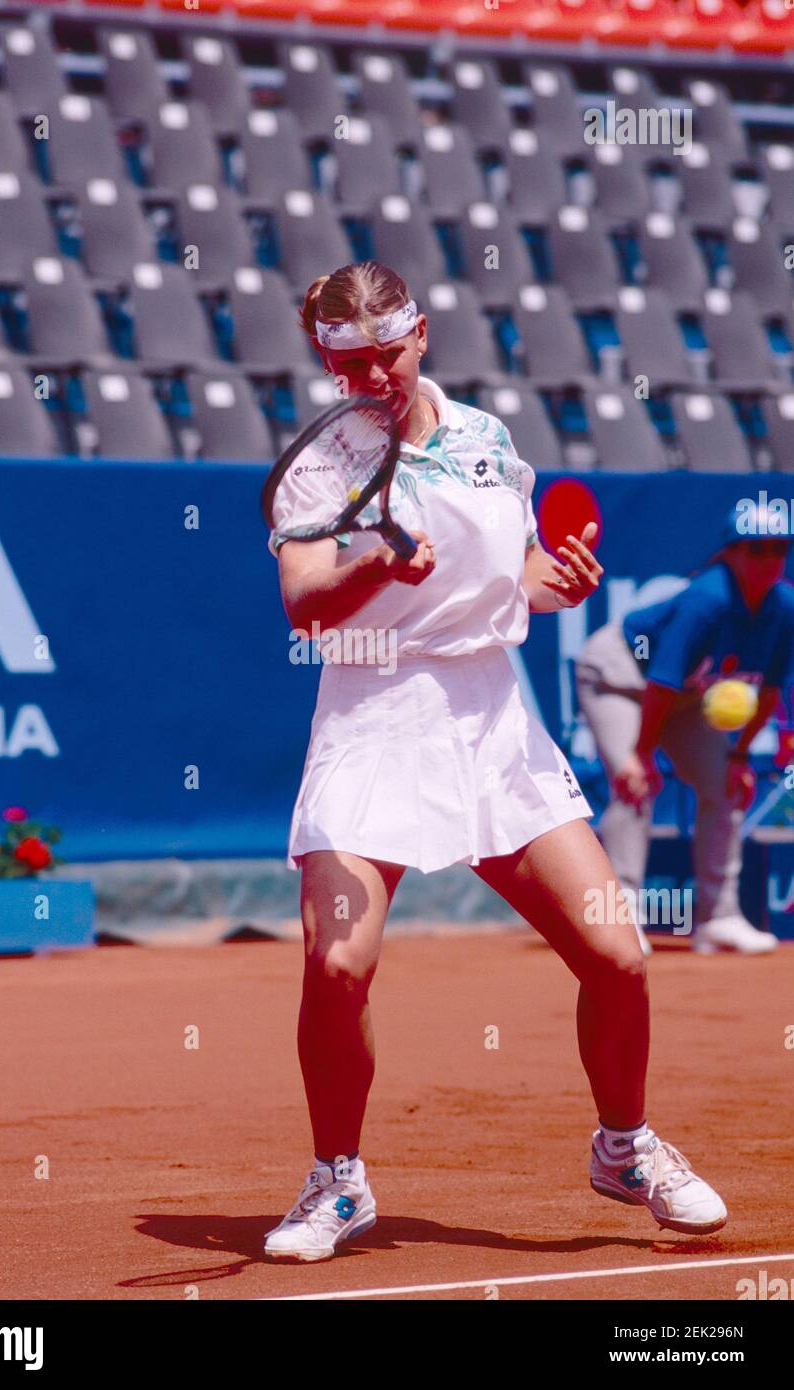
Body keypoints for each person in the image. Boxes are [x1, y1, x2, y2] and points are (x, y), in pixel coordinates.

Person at [262, 260, 727, 1263]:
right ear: (325, 361)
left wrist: (551, 580)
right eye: (350, 364)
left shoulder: (485, 439)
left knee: (616, 955)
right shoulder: (320, 462)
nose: (372, 375)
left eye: (388, 353)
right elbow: (304, 603)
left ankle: (621, 1147)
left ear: (420, 335)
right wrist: (372, 564)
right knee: (334, 964)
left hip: (489, 724)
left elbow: (511, 580)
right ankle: (337, 1180)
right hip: (370, 714)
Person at [575, 506, 793, 957]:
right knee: (633, 786)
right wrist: (642, 755)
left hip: (679, 697)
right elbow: (660, 682)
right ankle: (621, 920)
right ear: (732, 554)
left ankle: (720, 918)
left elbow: (769, 690)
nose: (768, 559)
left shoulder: (784, 608)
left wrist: (739, 759)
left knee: (728, 789)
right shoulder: (707, 600)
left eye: (779, 549)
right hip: (616, 676)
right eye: (756, 549)